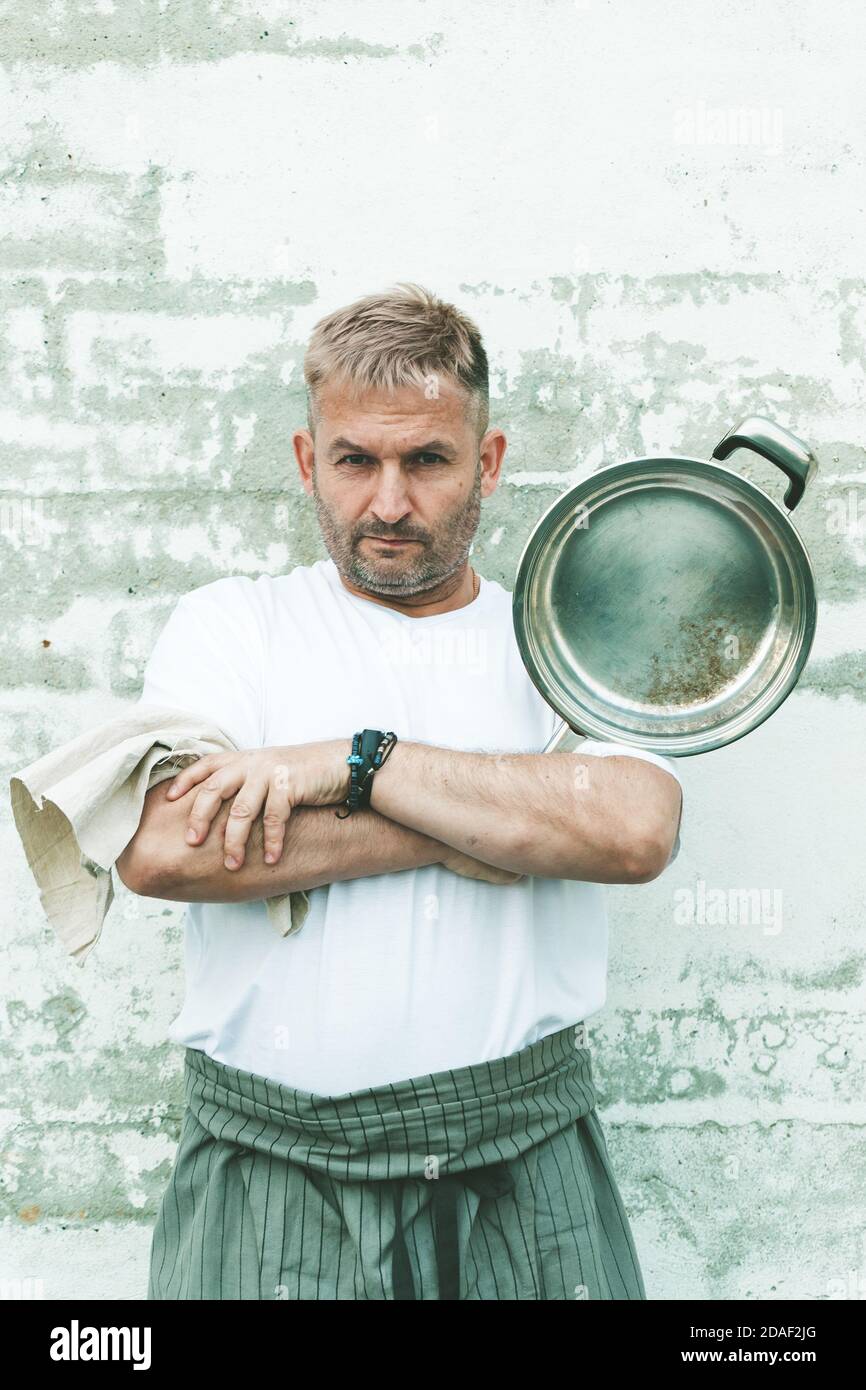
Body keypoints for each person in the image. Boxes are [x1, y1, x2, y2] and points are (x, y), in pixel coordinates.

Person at [117, 281, 684, 1301]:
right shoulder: (232, 627)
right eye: (354, 461)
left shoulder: (563, 647)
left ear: (489, 461)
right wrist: (487, 824)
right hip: (271, 1166)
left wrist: (353, 762)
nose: (386, 502)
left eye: (425, 460)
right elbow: (166, 848)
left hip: (522, 1162)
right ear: (307, 461)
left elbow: (632, 828)